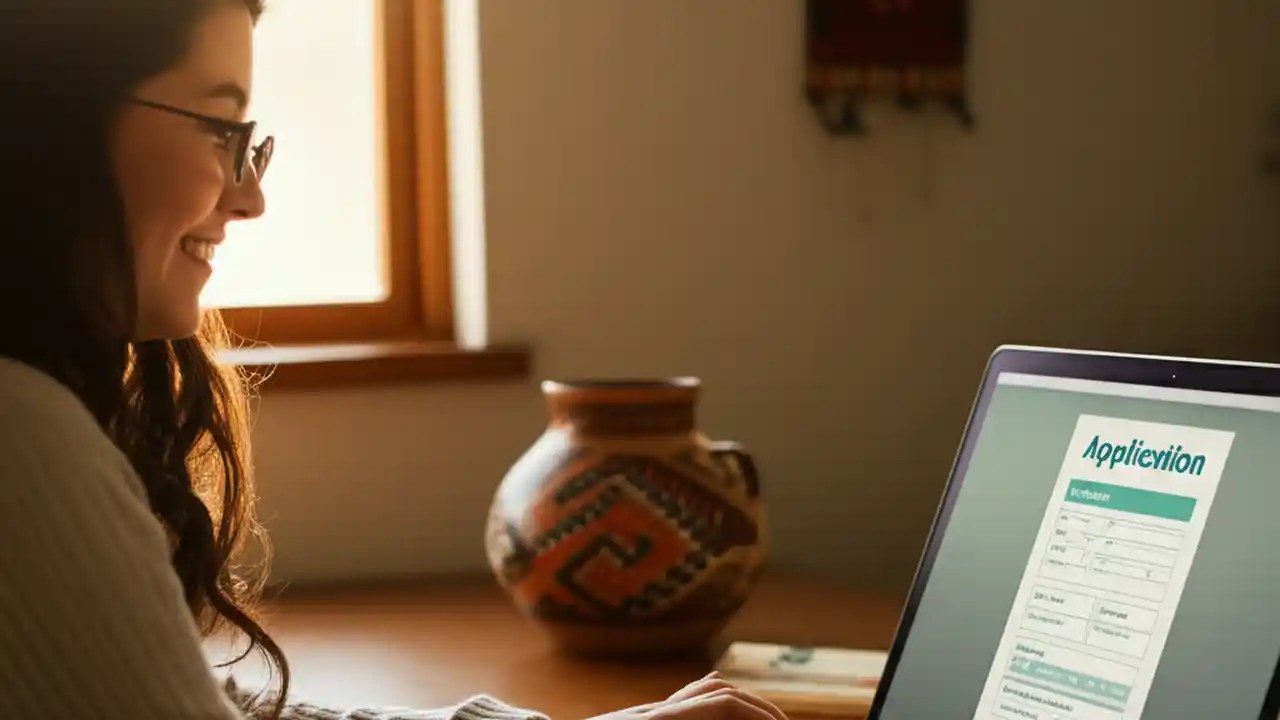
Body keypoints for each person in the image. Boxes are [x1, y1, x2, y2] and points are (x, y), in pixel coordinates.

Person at [0, 1, 793, 719]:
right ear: (48, 123)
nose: (251, 199)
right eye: (220, 129)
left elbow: (198, 700)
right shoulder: (22, 435)